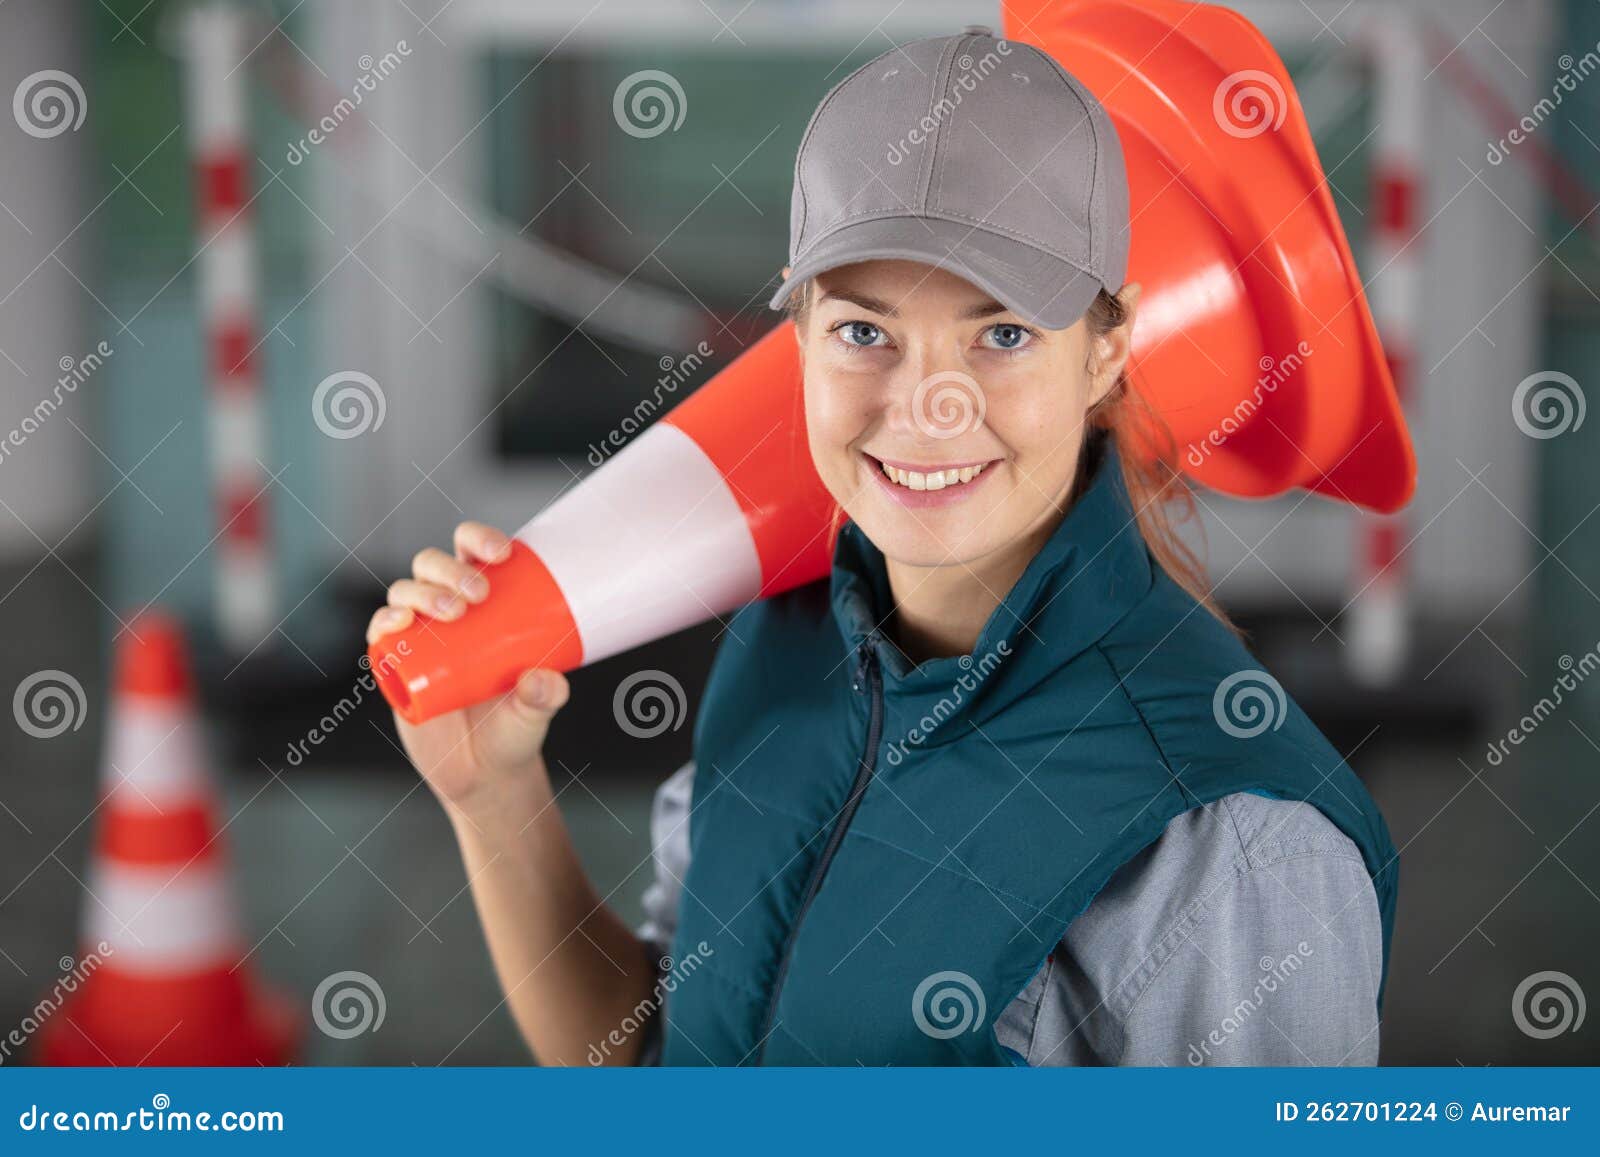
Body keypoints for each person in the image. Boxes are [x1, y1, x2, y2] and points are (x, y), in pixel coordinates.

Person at [367, 27, 1398, 1066]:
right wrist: (492, 794)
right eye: (865, 332)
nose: (926, 407)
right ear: (797, 333)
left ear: (1107, 350)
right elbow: (658, 1064)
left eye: (1001, 335)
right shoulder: (783, 650)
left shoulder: (1237, 837)